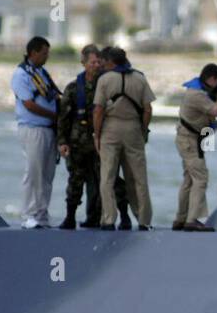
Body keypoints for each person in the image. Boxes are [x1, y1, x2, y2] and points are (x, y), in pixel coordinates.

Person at [56, 44, 130, 230]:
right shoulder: (73, 88)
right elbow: (64, 117)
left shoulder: (107, 85)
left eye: (98, 61)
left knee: (108, 180)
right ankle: (70, 217)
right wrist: (62, 142)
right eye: (92, 62)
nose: (96, 65)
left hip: (102, 142)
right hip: (78, 143)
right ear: (83, 63)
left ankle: (122, 216)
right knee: (76, 181)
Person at [93, 46, 156, 230]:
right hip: (133, 128)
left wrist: (97, 134)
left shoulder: (104, 79)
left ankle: (108, 218)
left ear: (111, 62)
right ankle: (144, 220)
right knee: (138, 177)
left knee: (108, 176)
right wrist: (143, 130)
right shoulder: (139, 78)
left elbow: (98, 110)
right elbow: (148, 109)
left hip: (110, 128)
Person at [11, 36, 61, 229]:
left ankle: (41, 213)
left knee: (47, 174)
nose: (46, 56)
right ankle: (29, 214)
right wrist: (53, 115)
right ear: (33, 52)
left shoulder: (41, 72)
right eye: (44, 53)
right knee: (33, 172)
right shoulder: (21, 75)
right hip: (33, 128)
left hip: (48, 128)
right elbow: (29, 104)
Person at [173, 63, 217, 231]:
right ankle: (192, 220)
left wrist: (207, 144)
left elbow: (208, 122)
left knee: (189, 179)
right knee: (201, 177)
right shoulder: (196, 94)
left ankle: (181, 218)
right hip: (189, 140)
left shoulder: (202, 90)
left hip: (197, 136)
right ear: (211, 79)